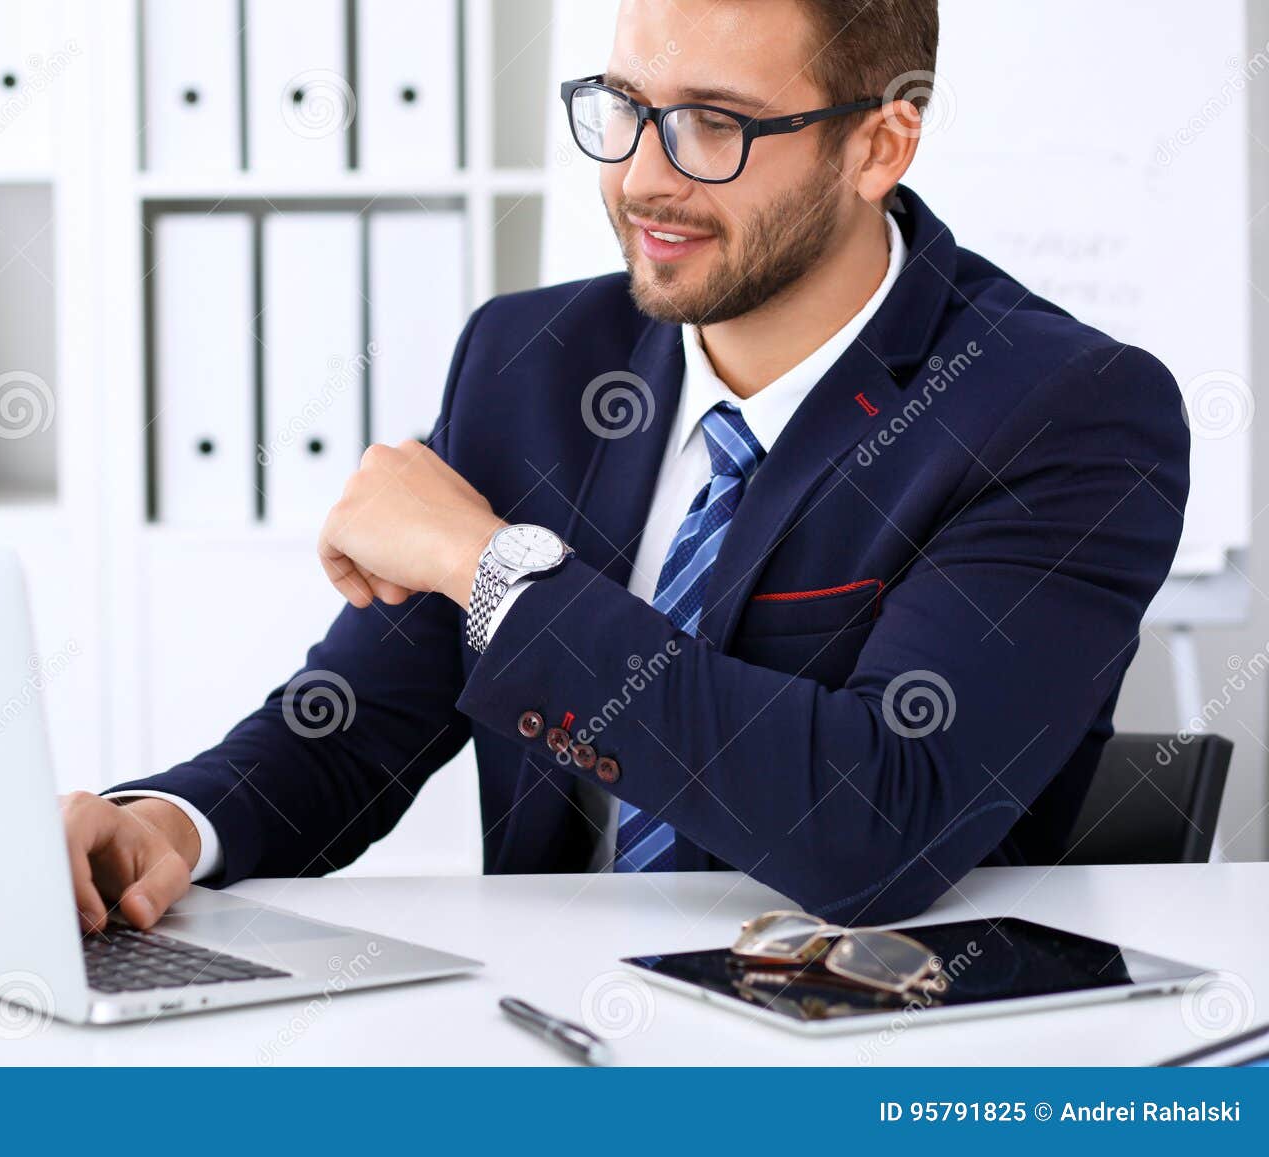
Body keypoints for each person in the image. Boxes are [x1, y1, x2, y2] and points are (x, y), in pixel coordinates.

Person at [61, 0, 1187, 933]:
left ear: (879, 145)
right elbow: (358, 719)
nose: (645, 178)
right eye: (624, 111)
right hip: (555, 1027)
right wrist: (167, 825)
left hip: (872, 1047)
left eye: (713, 124)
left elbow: (871, 825)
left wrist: (490, 564)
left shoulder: (1064, 413)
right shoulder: (531, 363)